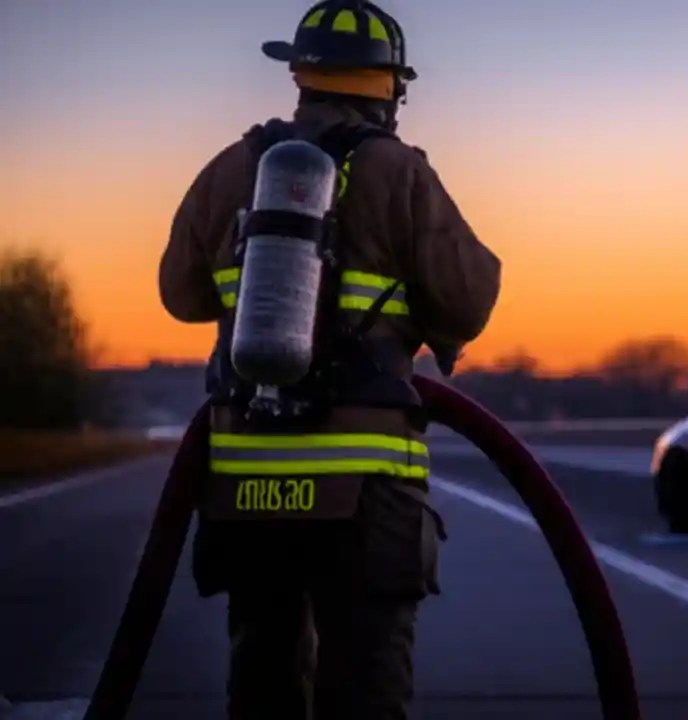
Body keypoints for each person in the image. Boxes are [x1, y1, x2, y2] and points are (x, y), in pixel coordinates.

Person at [157, 1, 501, 717]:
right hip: (365, 487)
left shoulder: (230, 169)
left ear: (300, 74)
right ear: (389, 87)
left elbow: (180, 297)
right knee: (365, 692)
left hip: (247, 483)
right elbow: (468, 300)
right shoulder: (398, 172)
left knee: (263, 683)